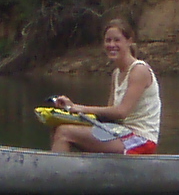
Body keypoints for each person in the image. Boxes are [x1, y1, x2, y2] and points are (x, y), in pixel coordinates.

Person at [49, 17, 160, 154]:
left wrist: (80, 108)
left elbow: (121, 112)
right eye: (108, 40)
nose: (111, 45)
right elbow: (110, 116)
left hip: (141, 140)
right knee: (58, 128)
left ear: (129, 41)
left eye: (117, 40)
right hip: (120, 133)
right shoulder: (116, 74)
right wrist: (69, 109)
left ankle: (56, 174)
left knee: (64, 132)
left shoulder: (139, 70)